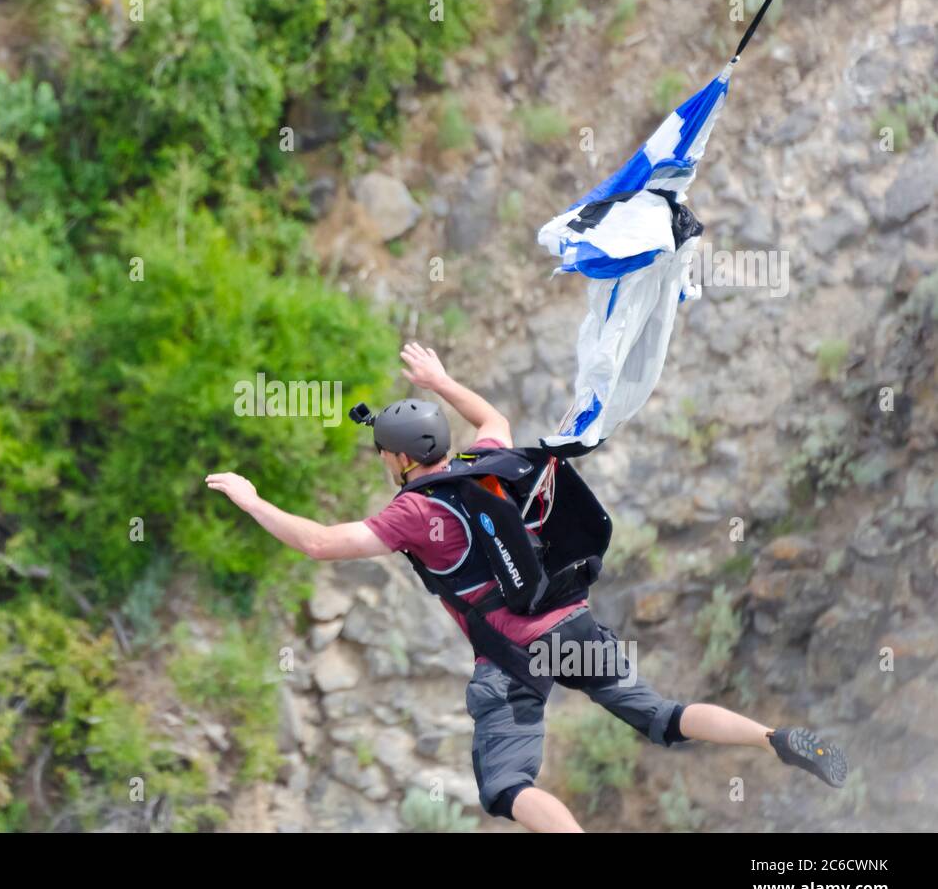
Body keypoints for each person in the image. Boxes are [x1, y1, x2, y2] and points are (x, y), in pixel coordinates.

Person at [206, 342, 848, 832]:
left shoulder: (413, 514)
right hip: (573, 624)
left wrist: (254, 500)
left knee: (506, 785)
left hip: (510, 659)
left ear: (401, 459)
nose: (381, 462)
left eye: (382, 453)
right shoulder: (486, 462)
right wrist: (438, 381)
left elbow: (320, 543)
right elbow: (495, 414)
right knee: (661, 714)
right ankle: (774, 738)